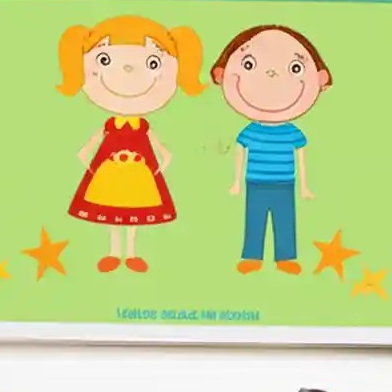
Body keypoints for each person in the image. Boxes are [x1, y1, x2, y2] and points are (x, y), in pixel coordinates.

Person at [57, 15, 205, 273]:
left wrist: (160, 167)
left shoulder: (144, 127)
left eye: (152, 63)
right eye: (105, 61)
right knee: (113, 216)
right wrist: (92, 169)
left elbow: (164, 151)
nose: (127, 71)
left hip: (140, 176)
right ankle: (114, 253)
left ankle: (132, 254)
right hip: (110, 175)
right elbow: (86, 149)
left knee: (134, 217)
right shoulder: (110, 125)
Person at [211, 25, 331, 275]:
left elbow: (301, 157)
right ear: (222, 74)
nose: (272, 75)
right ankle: (251, 255)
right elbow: (240, 154)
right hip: (255, 181)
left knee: (285, 220)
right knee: (254, 219)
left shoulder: (293, 133)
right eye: (248, 65)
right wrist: (236, 182)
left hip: (285, 183)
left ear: (320, 79)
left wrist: (305, 185)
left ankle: (286, 257)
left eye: (295, 68)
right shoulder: (250, 132)